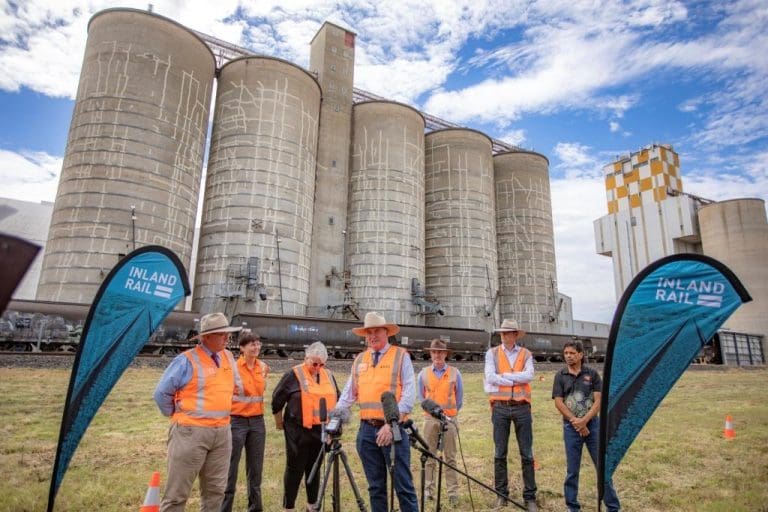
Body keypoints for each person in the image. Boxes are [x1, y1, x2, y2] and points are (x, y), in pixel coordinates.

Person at [153, 312, 241, 512]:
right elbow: (161, 393)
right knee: (177, 494)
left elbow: (234, 387)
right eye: (221, 334)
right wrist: (177, 414)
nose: (227, 338)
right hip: (191, 433)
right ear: (205, 337)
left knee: (216, 492)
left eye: (227, 334)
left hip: (222, 434)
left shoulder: (228, 357)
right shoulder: (186, 360)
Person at [333, 311, 419, 512]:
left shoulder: (400, 356)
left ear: (386, 332)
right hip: (366, 432)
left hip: (393, 430)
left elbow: (409, 394)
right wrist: (334, 422)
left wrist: (391, 424)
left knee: (403, 487)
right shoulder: (360, 360)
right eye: (368, 332)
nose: (372, 336)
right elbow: (348, 395)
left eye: (376, 331)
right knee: (375, 487)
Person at [272, 341, 340, 512]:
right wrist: (279, 423)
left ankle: (312, 505)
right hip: (298, 431)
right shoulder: (293, 375)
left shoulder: (329, 376)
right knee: (295, 469)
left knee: (315, 469)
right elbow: (276, 400)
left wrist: (334, 430)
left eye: (321, 364)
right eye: (314, 363)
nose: (317, 367)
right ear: (306, 358)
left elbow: (337, 402)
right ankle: (289, 507)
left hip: (321, 432)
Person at [552, 340, 620, 512]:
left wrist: (585, 420)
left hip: (593, 427)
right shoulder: (560, 376)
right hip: (571, 428)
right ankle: (572, 507)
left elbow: (599, 400)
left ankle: (612, 507)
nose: (568, 356)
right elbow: (559, 402)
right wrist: (577, 422)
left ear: (581, 355)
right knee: (572, 470)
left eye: (572, 353)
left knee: (602, 467)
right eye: (566, 353)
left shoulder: (592, 374)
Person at [484, 318, 538, 512]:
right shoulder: (492, 354)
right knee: (500, 453)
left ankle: (530, 497)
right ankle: (501, 495)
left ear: (516, 334)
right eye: (502, 333)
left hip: (522, 407)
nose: (505, 336)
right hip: (499, 407)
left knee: (527, 453)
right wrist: (516, 377)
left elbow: (529, 375)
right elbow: (490, 377)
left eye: (508, 332)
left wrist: (505, 376)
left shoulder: (526, 354)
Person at [221, 332, 270, 512]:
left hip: (257, 422)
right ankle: (224, 508)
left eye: (258, 344)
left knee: (256, 469)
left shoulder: (263, 367)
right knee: (230, 468)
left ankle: (255, 508)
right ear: (242, 348)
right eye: (252, 344)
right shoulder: (232, 368)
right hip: (237, 422)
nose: (256, 347)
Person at [417, 338, 463, 507]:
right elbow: (421, 398)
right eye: (434, 352)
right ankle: (428, 491)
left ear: (445, 354)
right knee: (429, 456)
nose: (437, 355)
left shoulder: (455, 373)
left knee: (450, 457)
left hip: (449, 420)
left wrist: (450, 414)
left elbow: (459, 399)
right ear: (430, 354)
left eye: (440, 352)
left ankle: (453, 493)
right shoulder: (423, 374)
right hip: (430, 420)